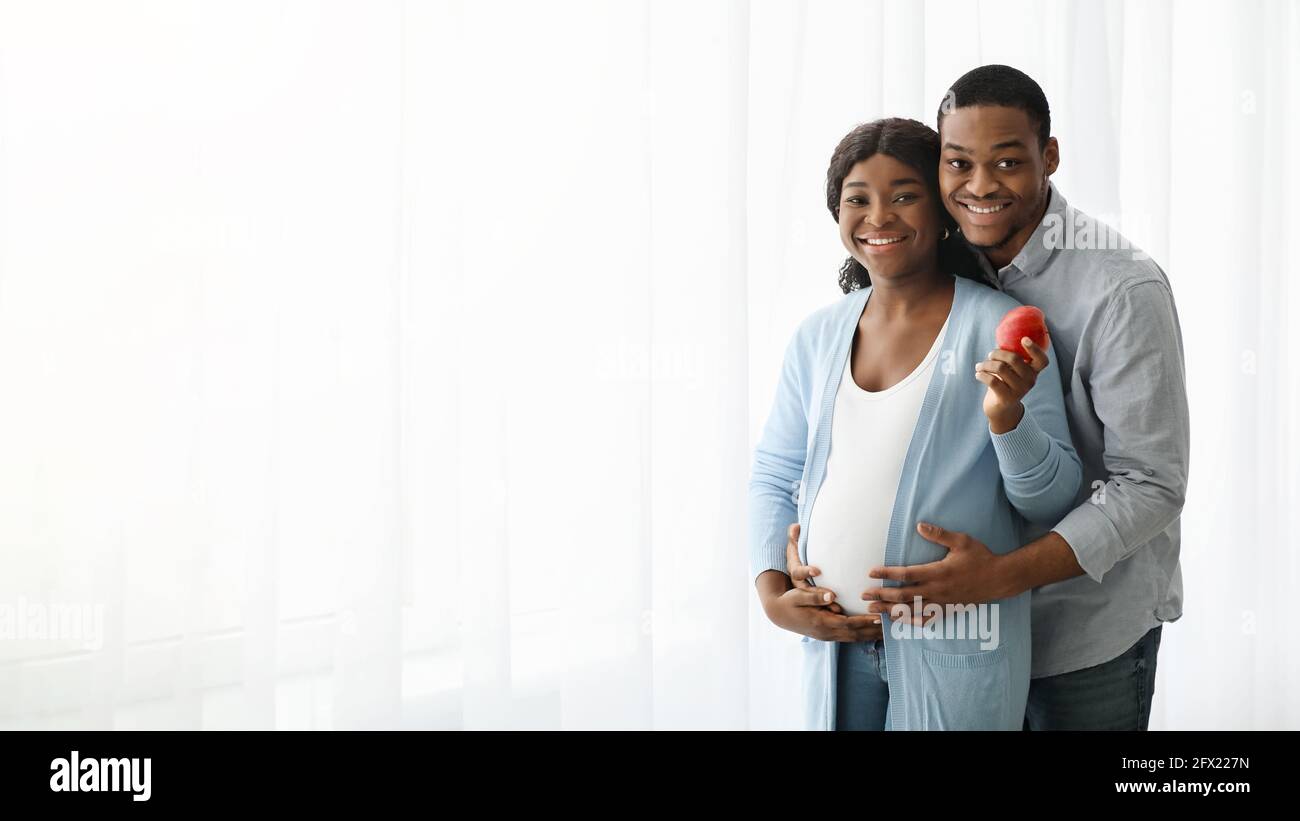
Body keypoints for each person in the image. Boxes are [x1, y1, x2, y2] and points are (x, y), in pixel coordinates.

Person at [791, 65, 1190, 731]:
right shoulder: (943, 266)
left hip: (1080, 634)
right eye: (958, 163)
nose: (979, 186)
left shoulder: (1122, 290)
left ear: (1049, 157)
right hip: (948, 641)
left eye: (1007, 162)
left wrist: (998, 578)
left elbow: (1150, 484)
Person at [748, 116, 1082, 730]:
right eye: (858, 199)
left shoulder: (998, 325)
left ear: (943, 210)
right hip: (835, 645)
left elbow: (1054, 498)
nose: (880, 216)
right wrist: (774, 595)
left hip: (955, 645)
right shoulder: (817, 336)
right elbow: (775, 471)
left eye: (904, 195)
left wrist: (1007, 418)